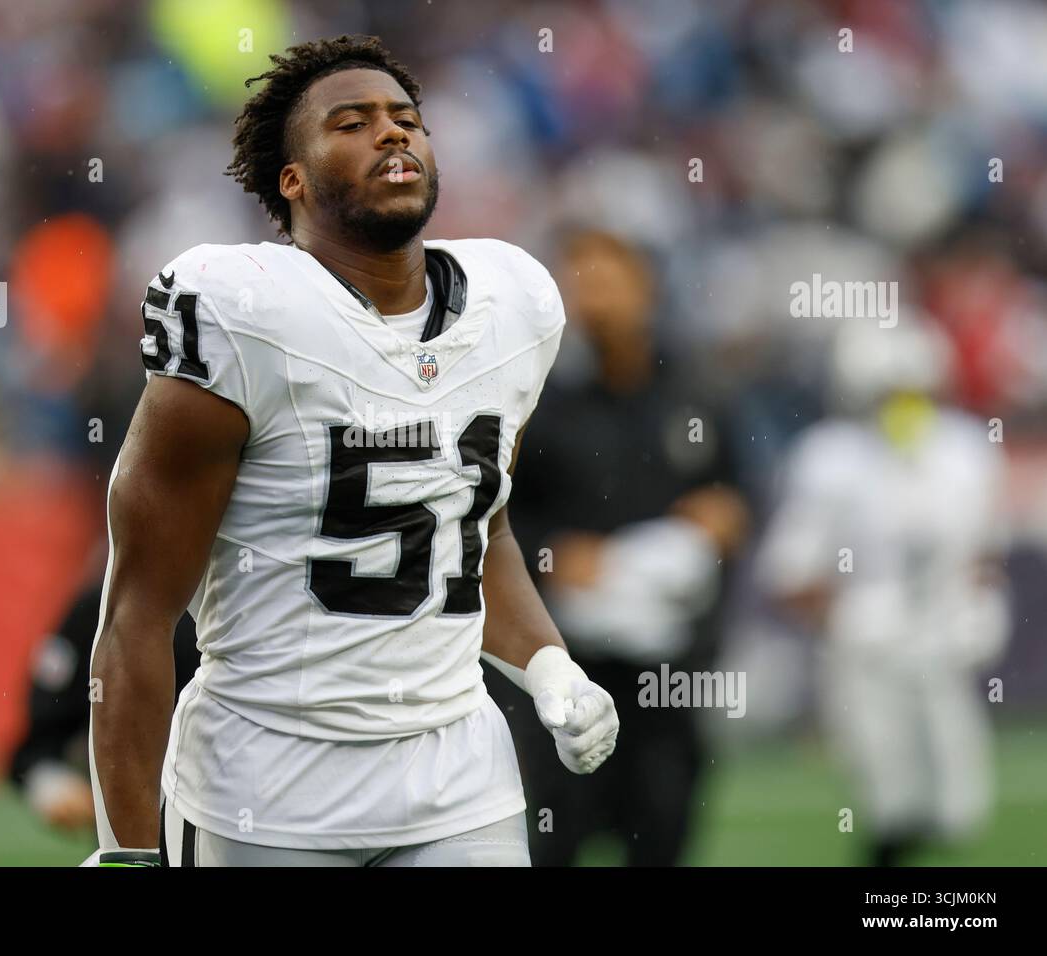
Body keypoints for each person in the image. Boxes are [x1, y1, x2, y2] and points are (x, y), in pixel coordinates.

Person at [86, 35, 620, 867]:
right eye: (353, 122)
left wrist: (550, 666)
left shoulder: (513, 304)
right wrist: (125, 850)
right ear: (291, 178)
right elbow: (138, 613)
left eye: (408, 119)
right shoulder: (240, 311)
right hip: (264, 784)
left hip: (456, 771)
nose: (393, 134)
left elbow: (479, 529)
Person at [492, 230, 750, 866]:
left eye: (610, 279)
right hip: (565, 669)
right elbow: (497, 517)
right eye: (583, 283)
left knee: (662, 838)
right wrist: (557, 553)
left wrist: (725, 515)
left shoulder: (696, 394)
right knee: (551, 841)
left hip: (670, 670)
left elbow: (737, 494)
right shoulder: (539, 402)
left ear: (647, 288)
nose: (598, 299)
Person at [754, 318, 1010, 867]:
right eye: (889, 394)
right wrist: (843, 623)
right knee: (889, 797)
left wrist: (980, 605)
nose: (903, 406)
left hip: (943, 640)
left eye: (913, 393)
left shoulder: (965, 451)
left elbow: (986, 552)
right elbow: (790, 571)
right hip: (868, 650)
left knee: (958, 803)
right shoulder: (829, 458)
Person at [8, 581, 198, 834]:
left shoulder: (246, 606)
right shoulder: (100, 606)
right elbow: (42, 733)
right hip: (135, 826)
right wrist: (50, 781)